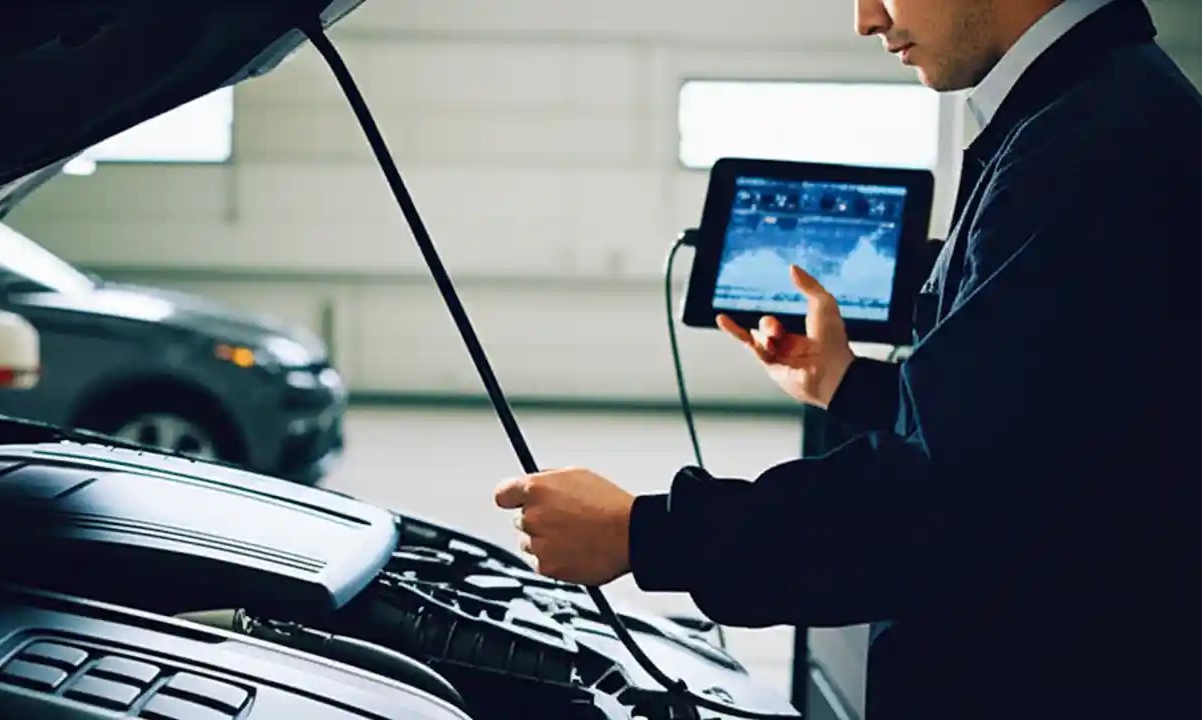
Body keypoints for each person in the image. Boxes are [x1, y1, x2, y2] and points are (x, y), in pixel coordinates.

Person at [494, 0, 1200, 718]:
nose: (864, 19)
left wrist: (647, 534)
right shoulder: (1089, 110)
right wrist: (848, 384)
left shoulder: (1092, 148)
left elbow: (942, 506)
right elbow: (1033, 429)